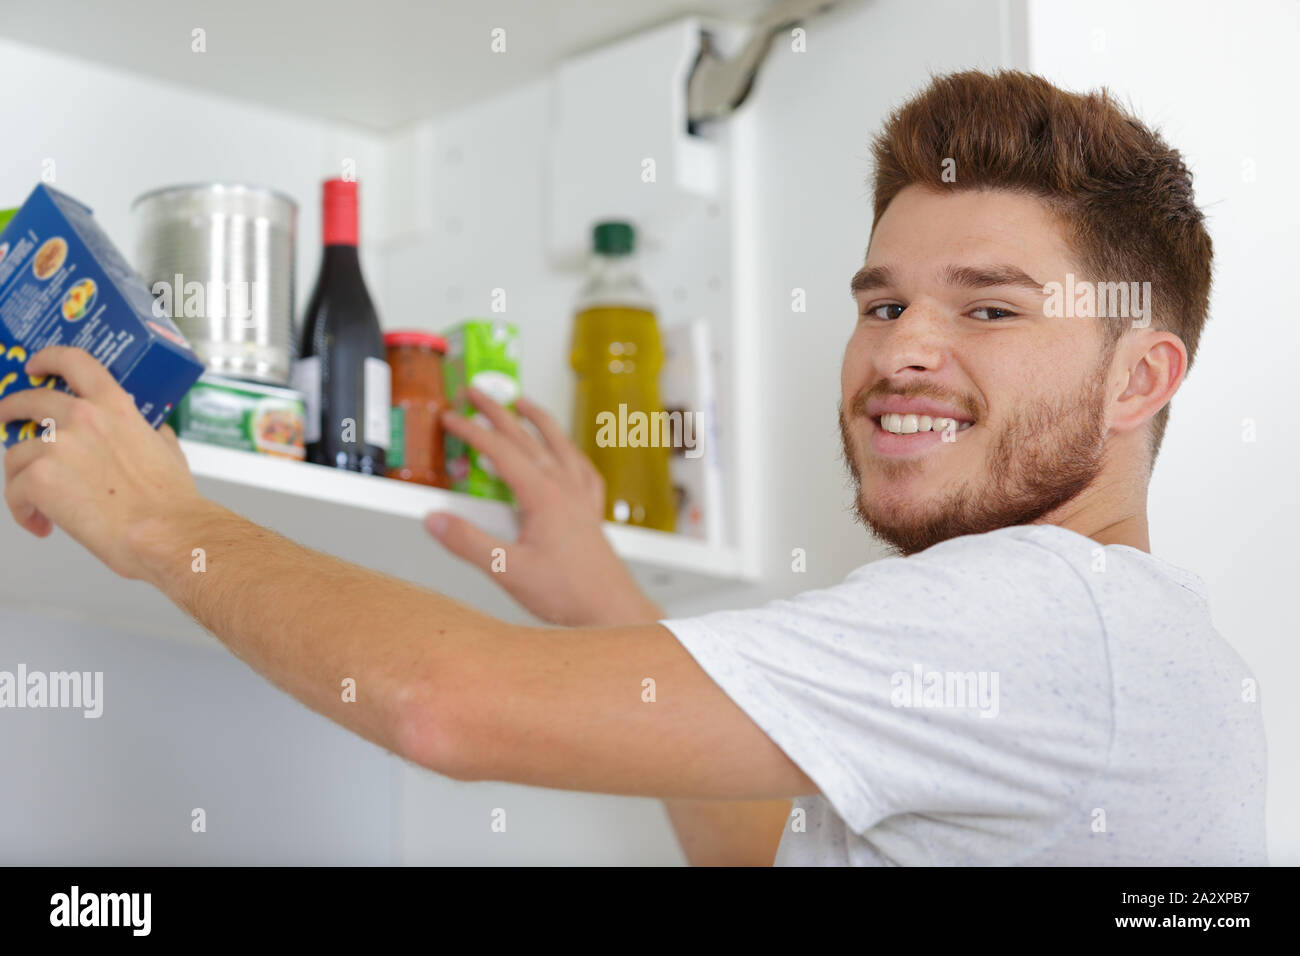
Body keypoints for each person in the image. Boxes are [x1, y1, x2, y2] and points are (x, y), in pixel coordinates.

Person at [0, 69, 1267, 866]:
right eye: (881, 306)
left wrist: (163, 522)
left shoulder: (1045, 611)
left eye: (987, 311)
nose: (901, 355)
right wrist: (600, 592)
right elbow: (755, 847)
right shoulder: (1129, 652)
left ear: (1139, 379)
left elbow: (446, 702)